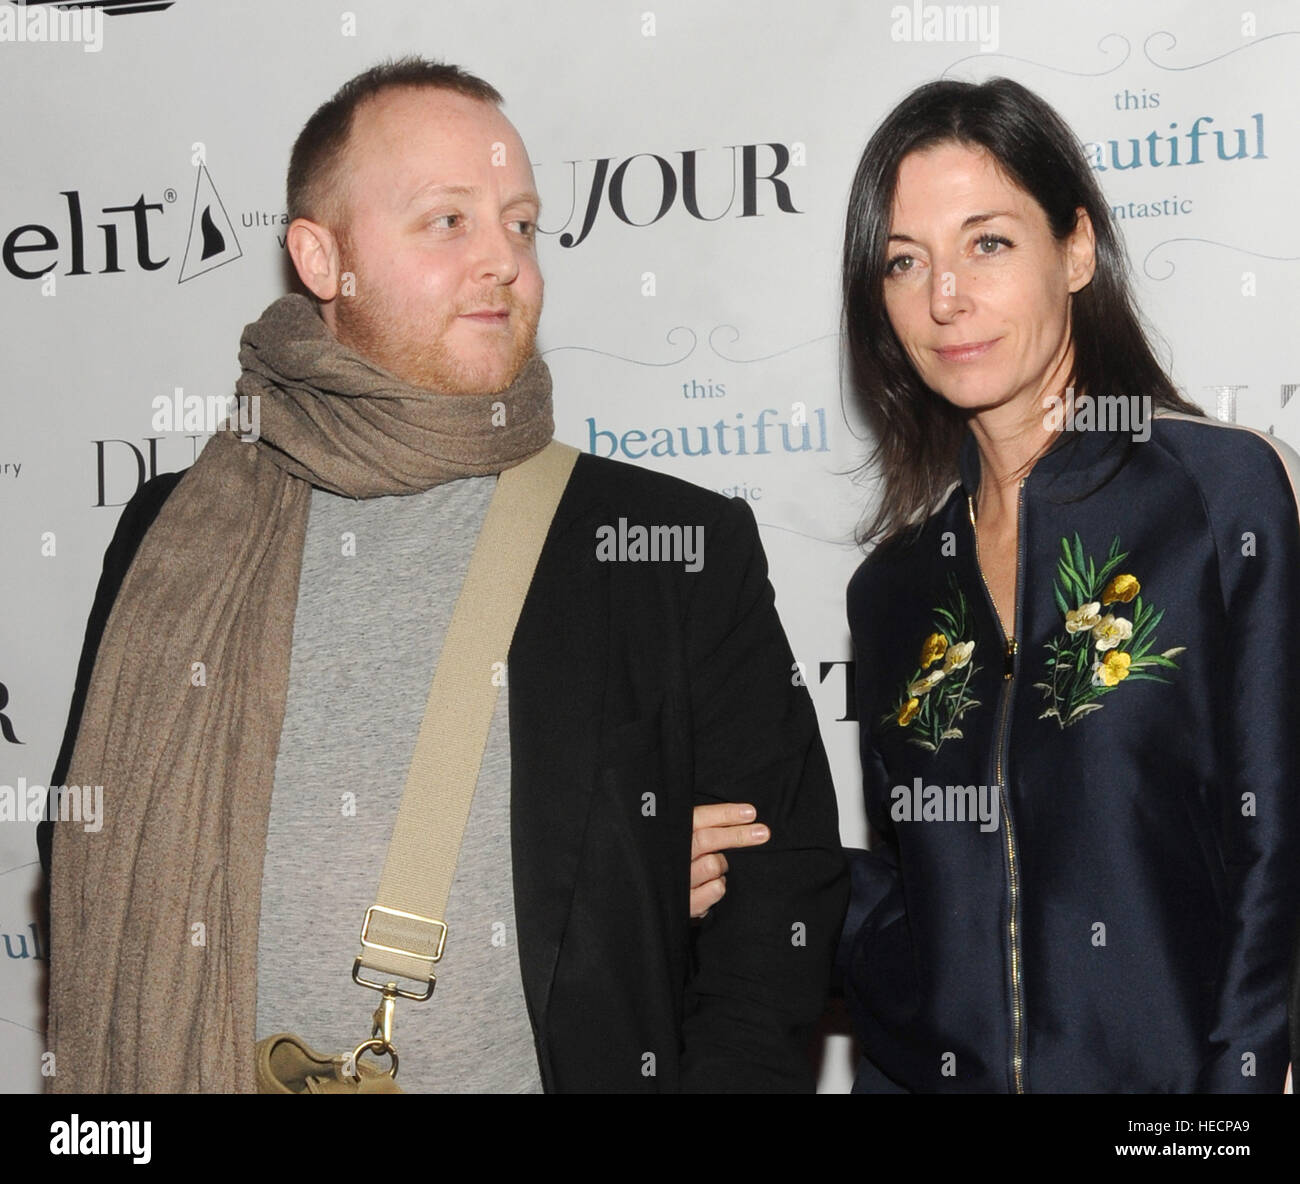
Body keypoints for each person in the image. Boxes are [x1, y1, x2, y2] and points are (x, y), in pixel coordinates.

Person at [37, 57, 847, 1094]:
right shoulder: (172, 533)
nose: (502, 260)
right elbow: (94, 840)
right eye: (446, 221)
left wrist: (628, 893)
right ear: (323, 258)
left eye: (518, 223)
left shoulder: (670, 543)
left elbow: (779, 903)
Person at [834, 76, 1300, 1092]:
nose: (943, 296)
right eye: (903, 261)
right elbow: (917, 898)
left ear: (1076, 249)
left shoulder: (1217, 494)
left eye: (986, 243)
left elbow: (1278, 855)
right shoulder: (896, 587)